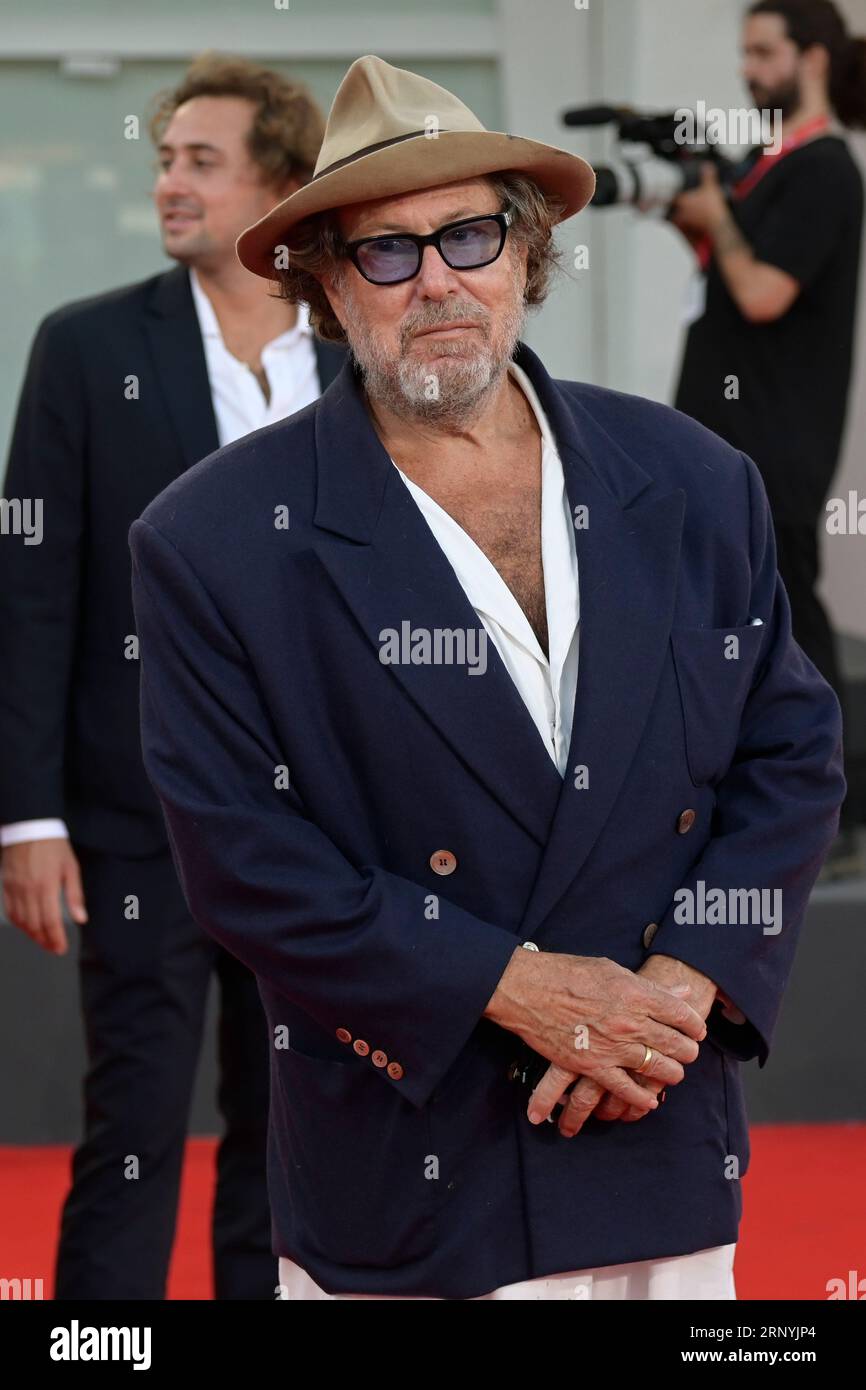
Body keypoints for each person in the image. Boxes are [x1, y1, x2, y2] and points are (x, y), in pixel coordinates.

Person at [129, 55, 844, 1301]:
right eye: (387, 254)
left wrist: (675, 988)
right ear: (328, 288)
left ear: (526, 253)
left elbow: (789, 754)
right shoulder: (212, 542)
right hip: (410, 1169)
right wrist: (515, 988)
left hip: (654, 1129)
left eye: (467, 233)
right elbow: (244, 861)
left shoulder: (691, 480)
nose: (437, 281)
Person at [0, 52, 343, 1299]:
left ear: (281, 188)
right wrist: (27, 814)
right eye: (163, 161)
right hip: (137, 815)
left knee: (290, 1134)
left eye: (201, 160)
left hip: (320, 829)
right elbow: (32, 593)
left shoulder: (355, 355)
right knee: (131, 1134)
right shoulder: (85, 348)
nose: (170, 182)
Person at [671, 0, 865, 878]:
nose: (748, 70)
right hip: (725, 432)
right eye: (743, 52)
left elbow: (764, 295)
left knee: (794, 616)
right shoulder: (769, 167)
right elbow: (732, 277)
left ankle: (845, 816)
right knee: (732, 617)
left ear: (812, 56)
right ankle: (757, 811)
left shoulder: (825, 169)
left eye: (765, 51)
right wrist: (699, 219)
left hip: (778, 442)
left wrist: (716, 220)